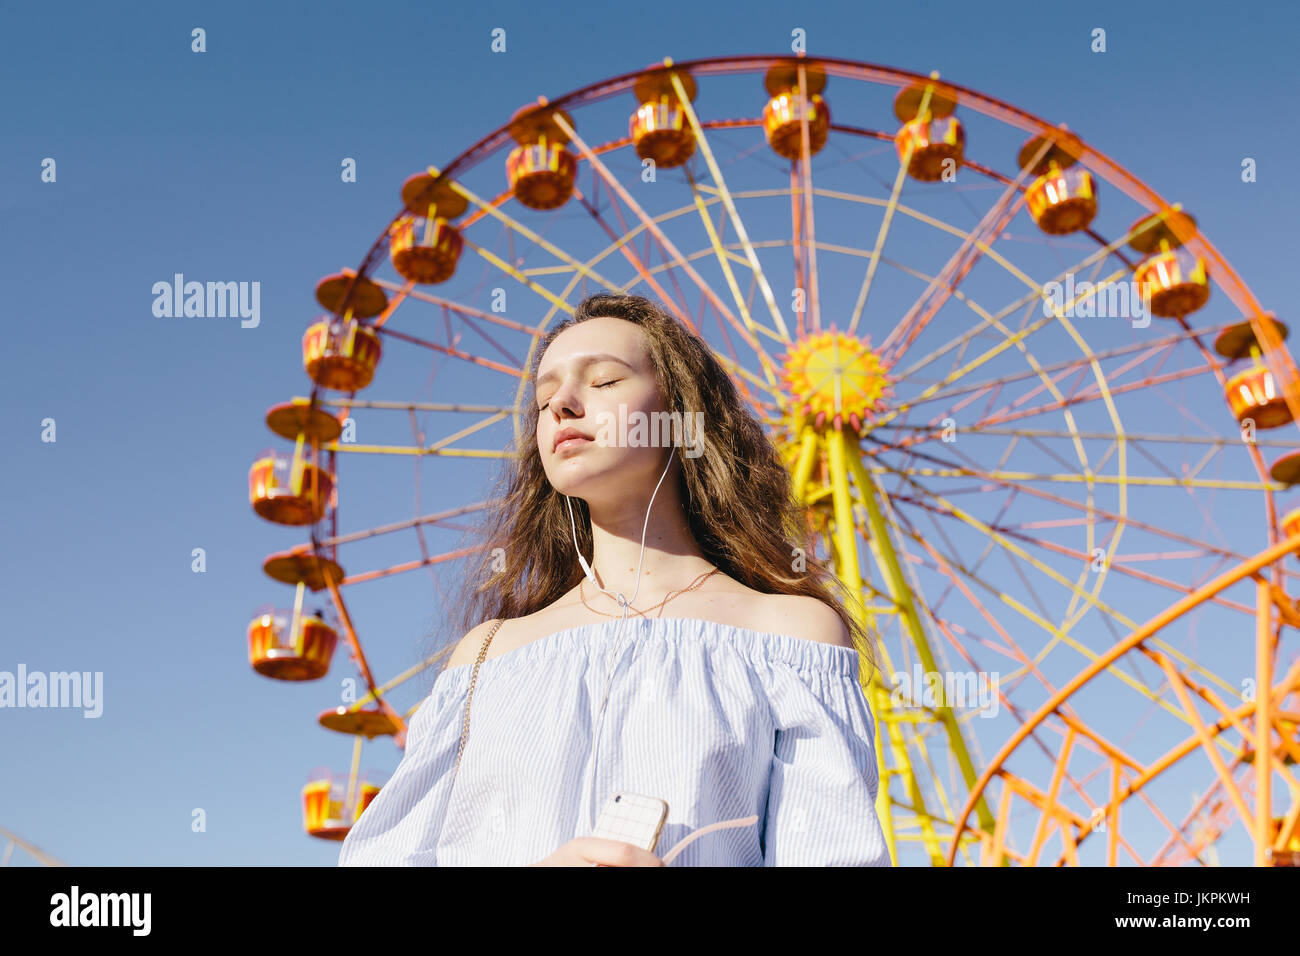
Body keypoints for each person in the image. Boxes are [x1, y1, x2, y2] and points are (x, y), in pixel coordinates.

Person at [338, 293, 891, 866]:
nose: (562, 407)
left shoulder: (790, 638)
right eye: (544, 397)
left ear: (681, 414)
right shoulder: (485, 658)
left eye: (603, 381)